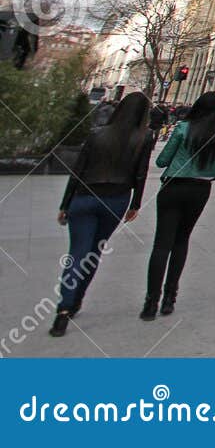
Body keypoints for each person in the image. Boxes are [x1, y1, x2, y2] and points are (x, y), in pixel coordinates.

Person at [49, 92, 155, 337]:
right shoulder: (144, 137)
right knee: (95, 250)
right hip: (116, 199)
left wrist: (65, 204)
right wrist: (136, 204)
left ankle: (64, 309)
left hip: (84, 196)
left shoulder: (97, 133)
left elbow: (77, 171)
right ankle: (77, 300)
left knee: (77, 252)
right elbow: (141, 173)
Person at [144, 91, 215, 319]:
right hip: (199, 189)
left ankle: (150, 303)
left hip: (173, 186)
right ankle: (169, 299)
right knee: (182, 240)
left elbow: (161, 160)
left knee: (161, 244)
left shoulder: (183, 128)